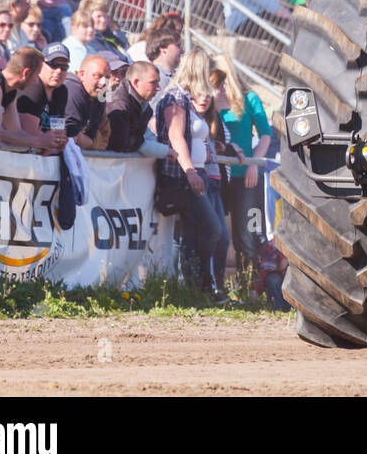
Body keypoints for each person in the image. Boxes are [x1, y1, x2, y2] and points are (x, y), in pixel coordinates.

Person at [154, 50, 232, 298]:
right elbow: (175, 137)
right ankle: (201, 282)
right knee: (212, 228)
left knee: (192, 233)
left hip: (197, 172)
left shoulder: (187, 99)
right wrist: (190, 172)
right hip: (182, 176)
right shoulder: (175, 98)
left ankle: (194, 287)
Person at [211, 57, 271, 274]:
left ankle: (251, 285)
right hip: (218, 173)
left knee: (247, 235)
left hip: (246, 176)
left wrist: (254, 164)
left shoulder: (249, 98)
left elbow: (265, 134)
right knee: (215, 230)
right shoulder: (208, 99)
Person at [0, 47, 59, 152]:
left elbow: (16, 131)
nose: (36, 80)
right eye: (37, 75)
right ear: (26, 73)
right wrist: (38, 141)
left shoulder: (11, 90)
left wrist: (44, 144)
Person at [15, 42, 70, 140]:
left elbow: (58, 130)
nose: (58, 71)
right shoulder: (33, 87)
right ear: (41, 64)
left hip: (40, 148)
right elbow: (28, 131)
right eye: (53, 65)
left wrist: (58, 141)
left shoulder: (61, 91)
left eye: (64, 67)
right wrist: (51, 143)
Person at [105, 60, 161, 153]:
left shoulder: (146, 109)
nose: (158, 88)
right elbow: (120, 144)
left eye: (158, 82)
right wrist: (142, 142)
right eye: (153, 82)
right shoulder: (118, 105)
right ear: (136, 82)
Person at [63, 54, 110, 149]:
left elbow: (91, 138)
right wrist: (80, 137)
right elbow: (70, 136)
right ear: (81, 74)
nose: (104, 82)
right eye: (97, 76)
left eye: (107, 77)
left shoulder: (99, 95)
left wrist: (80, 137)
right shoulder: (72, 88)